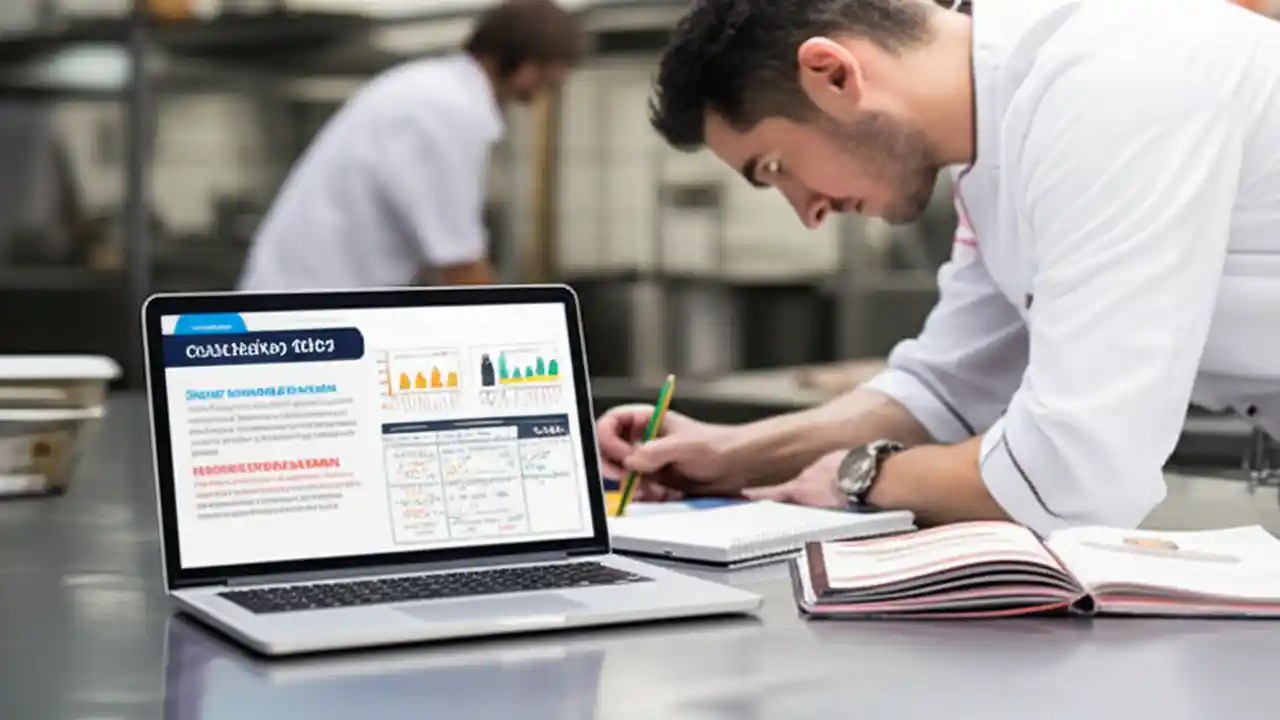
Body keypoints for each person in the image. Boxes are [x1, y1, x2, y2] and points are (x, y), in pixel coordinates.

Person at [597, 0, 1280, 534]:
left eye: (776, 168)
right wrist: (733, 453)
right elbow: (948, 388)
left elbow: (1078, 475)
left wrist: (865, 476)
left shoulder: (1111, 80)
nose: (805, 211)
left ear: (834, 74)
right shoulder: (995, 151)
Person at [239, 0, 583, 291]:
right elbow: (458, 261)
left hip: (319, 297)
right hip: (310, 304)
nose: (545, 90)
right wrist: (518, 332)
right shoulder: (445, 109)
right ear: (524, 63)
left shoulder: (433, 89)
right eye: (548, 76)